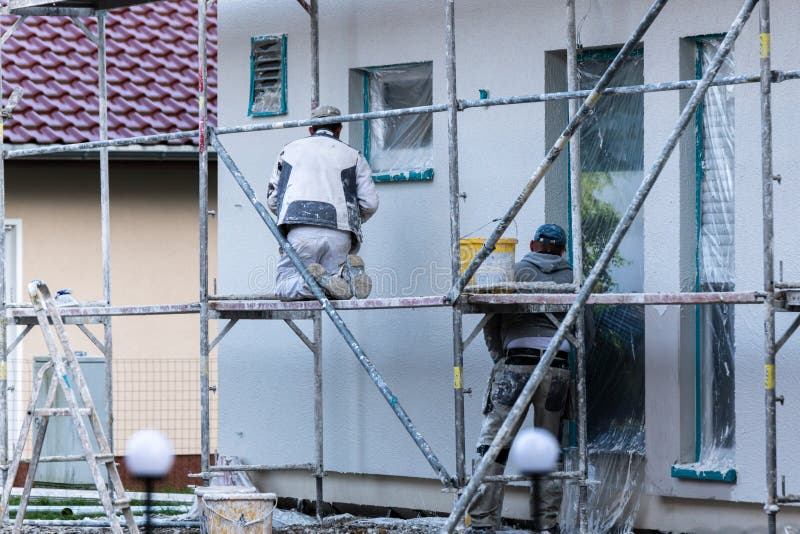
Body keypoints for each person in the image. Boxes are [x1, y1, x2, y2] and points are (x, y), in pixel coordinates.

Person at [467, 223, 574, 534]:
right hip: (558, 367)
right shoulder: (574, 278)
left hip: (517, 363)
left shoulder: (513, 272)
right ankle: (547, 523)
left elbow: (491, 319)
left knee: (494, 444)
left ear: (532, 244)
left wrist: (502, 359)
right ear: (562, 250)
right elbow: (585, 326)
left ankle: (484, 522)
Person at [267, 105, 379, 300]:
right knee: (337, 290)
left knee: (284, 287)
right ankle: (347, 274)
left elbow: (273, 199)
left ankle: (318, 281)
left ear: (310, 129)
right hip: (341, 234)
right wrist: (346, 217)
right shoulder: (354, 156)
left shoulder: (288, 151)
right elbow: (370, 203)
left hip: (301, 231)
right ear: (339, 129)